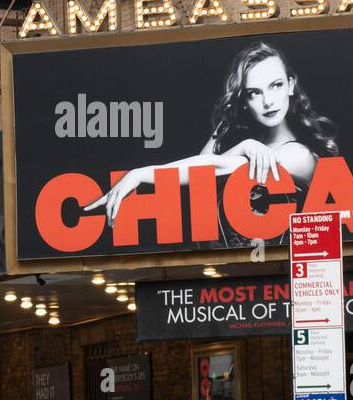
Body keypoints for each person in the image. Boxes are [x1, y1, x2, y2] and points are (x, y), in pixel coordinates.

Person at [85, 41, 338, 247]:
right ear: (244, 101)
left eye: (276, 85)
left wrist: (140, 174)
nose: (267, 101)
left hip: (289, 276)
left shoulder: (298, 155)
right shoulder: (256, 149)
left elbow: (211, 170)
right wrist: (235, 130)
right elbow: (202, 182)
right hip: (240, 271)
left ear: (291, 86)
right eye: (254, 92)